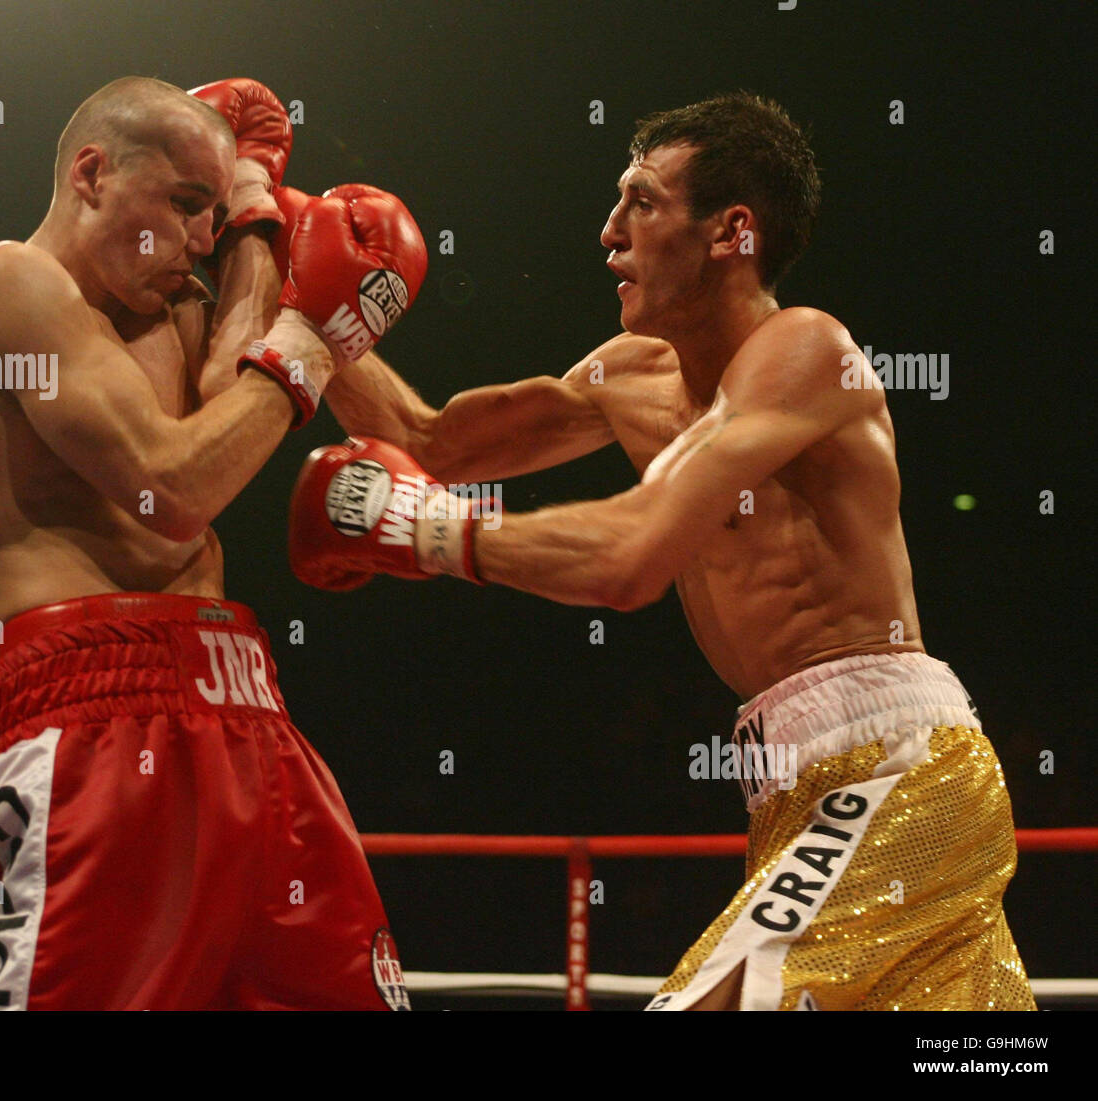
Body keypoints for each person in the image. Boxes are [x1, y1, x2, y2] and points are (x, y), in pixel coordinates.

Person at [290, 92, 1035, 1011]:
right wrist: (296, 304)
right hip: (786, 790)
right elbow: (432, 443)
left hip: (896, 766)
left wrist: (424, 529)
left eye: (642, 202)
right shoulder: (625, 375)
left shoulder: (807, 351)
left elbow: (631, 555)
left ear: (731, 233)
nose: (609, 233)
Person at [0, 74, 425, 1010]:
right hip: (97, 726)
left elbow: (238, 390)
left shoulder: (176, 304)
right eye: (184, 204)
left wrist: (254, 212)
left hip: (248, 709)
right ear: (92, 173)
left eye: (210, 215)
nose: (198, 240)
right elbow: (175, 488)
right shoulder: (3, 287)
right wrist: (307, 341)